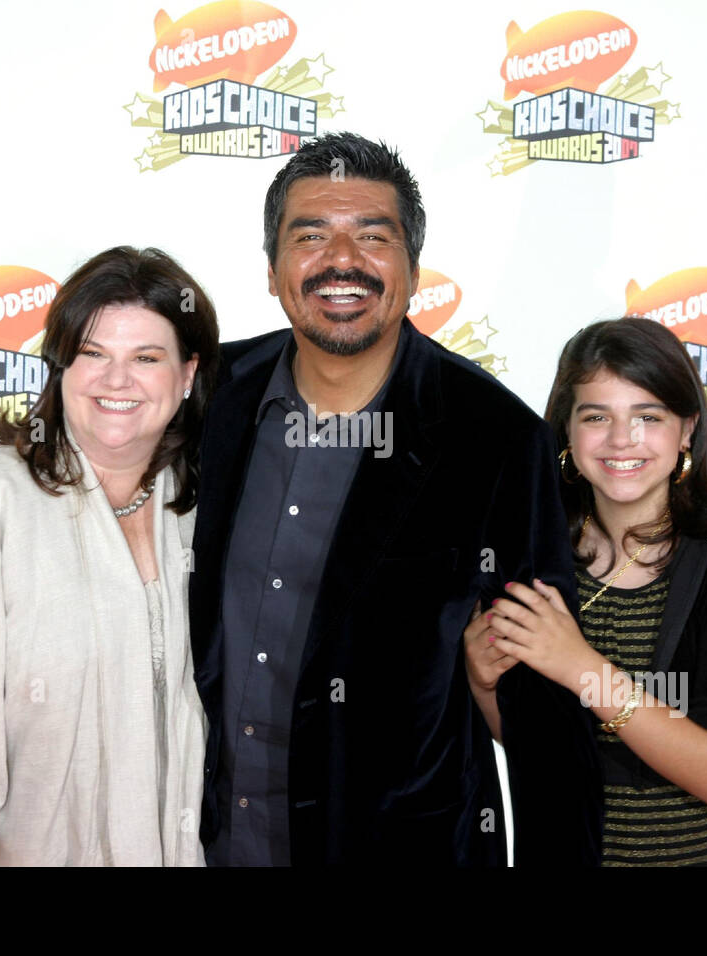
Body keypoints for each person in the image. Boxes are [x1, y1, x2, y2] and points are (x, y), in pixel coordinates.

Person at [190, 132, 602, 866]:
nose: (341, 260)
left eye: (372, 237)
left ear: (412, 272)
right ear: (272, 269)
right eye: (310, 235)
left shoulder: (495, 437)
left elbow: (543, 709)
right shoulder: (207, 397)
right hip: (207, 845)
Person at [0, 246, 219, 866]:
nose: (117, 380)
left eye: (146, 357)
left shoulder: (203, 509)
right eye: (93, 354)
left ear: (188, 374)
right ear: (60, 366)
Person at [470, 316, 707, 865]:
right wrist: (483, 681)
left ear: (686, 430)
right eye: (596, 416)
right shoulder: (536, 552)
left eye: (648, 416)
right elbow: (538, 746)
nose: (621, 440)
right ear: (566, 431)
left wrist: (580, 667)